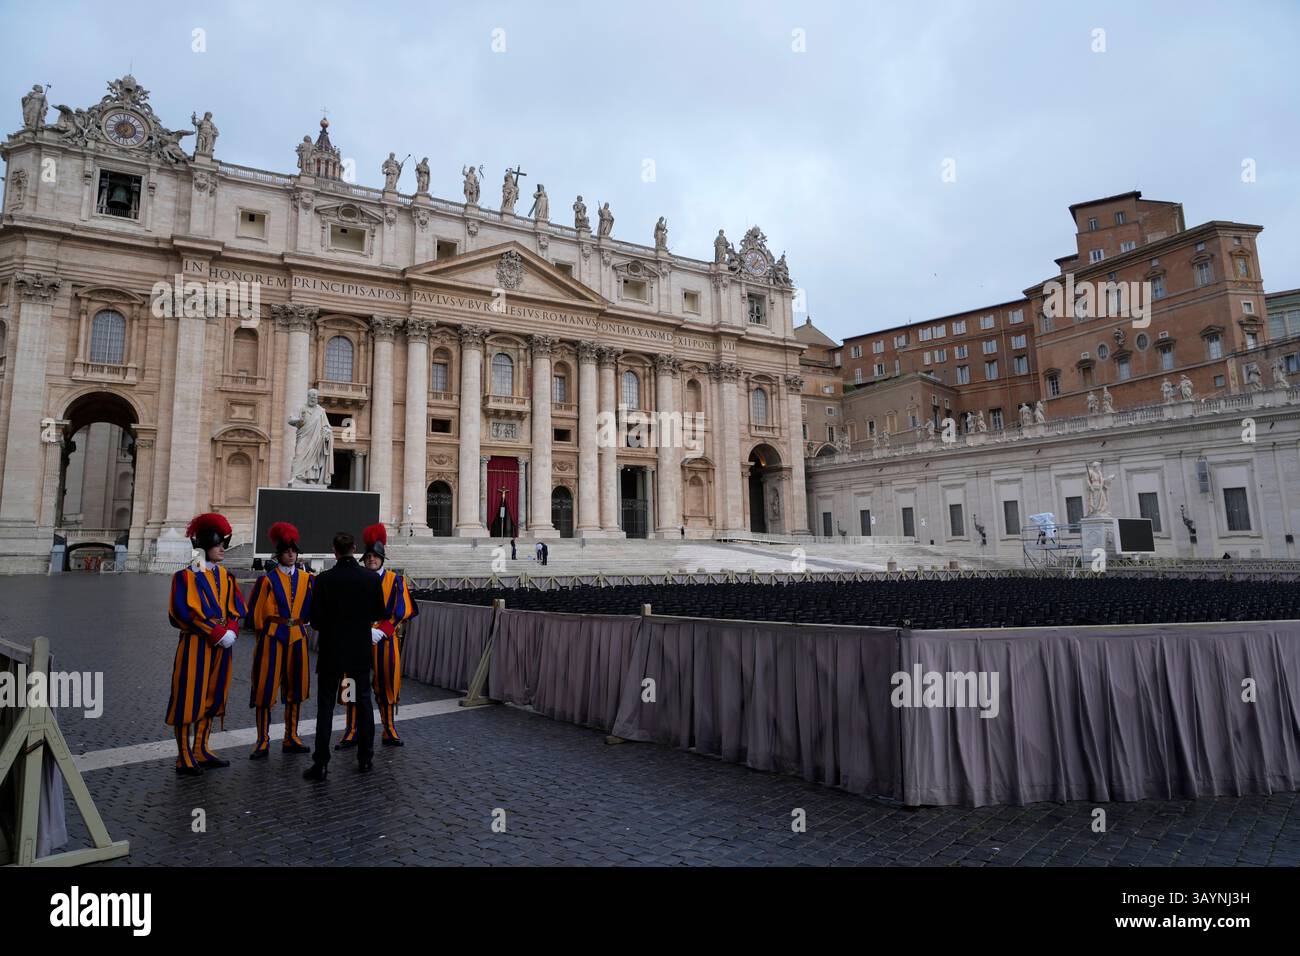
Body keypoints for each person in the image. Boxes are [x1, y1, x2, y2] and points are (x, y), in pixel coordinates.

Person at [165, 513, 247, 776]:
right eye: (218, 544)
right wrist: (217, 633)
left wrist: (231, 630)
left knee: (213, 696)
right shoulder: (184, 577)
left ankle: (201, 747)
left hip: (223, 647)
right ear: (203, 547)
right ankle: (183, 755)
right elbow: (181, 613)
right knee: (189, 697)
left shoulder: (227, 576)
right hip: (196, 646)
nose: (223, 549)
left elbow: (236, 609)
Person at [303, 532, 388, 779]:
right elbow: (379, 612)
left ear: (334, 551)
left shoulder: (323, 580)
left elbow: (315, 621)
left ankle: (321, 762)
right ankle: (365, 758)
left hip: (331, 650)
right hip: (359, 649)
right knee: (363, 702)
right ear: (354, 549)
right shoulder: (370, 578)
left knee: (326, 707)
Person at [337, 525, 417, 748]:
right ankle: (351, 729)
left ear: (382, 558)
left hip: (385, 640)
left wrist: (382, 630)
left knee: (387, 683)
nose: (372, 559)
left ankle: (389, 728)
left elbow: (403, 611)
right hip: (357, 639)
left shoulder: (396, 580)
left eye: (376, 556)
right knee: (351, 682)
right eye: (369, 556)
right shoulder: (356, 578)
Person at [245, 522, 313, 760]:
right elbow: (254, 614)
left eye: (294, 550)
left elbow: (311, 610)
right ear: (279, 554)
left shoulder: (307, 580)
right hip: (272, 638)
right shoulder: (267, 580)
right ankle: (262, 740)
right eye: (287, 551)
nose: (292, 554)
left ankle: (291, 736)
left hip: (297, 638)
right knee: (265, 689)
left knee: (296, 688)